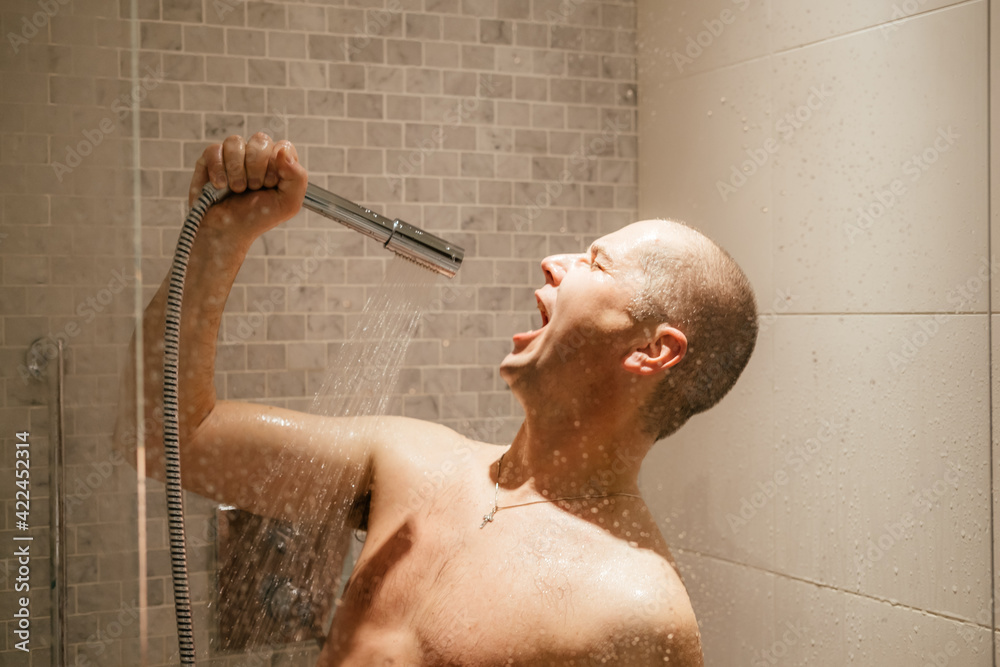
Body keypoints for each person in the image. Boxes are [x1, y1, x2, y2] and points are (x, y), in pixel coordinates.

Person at [115, 133, 758, 666]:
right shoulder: (408, 462)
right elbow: (164, 437)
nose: (552, 261)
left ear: (652, 351)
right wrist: (220, 238)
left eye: (595, 263)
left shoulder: (636, 613)